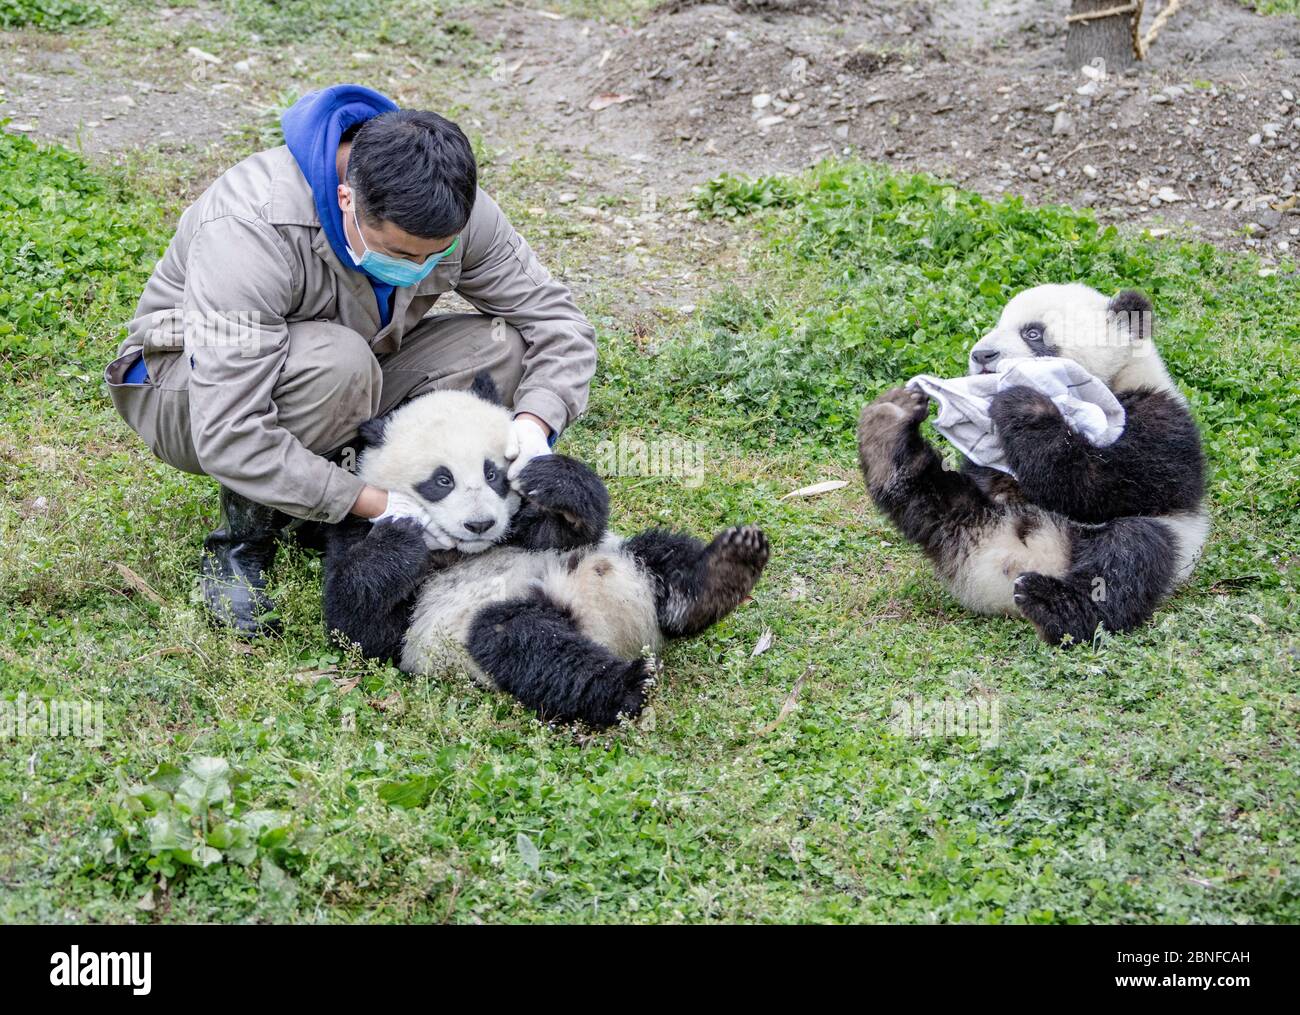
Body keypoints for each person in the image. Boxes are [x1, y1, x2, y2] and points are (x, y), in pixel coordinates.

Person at [104, 84, 596, 635]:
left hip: (350, 366)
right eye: (402, 253)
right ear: (346, 201)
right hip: (188, 395)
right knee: (337, 363)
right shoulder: (249, 229)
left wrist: (533, 426)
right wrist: (372, 501)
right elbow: (229, 430)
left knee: (502, 348)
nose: (422, 265)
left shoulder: (452, 207)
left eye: (439, 253)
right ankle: (242, 543)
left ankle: (328, 504)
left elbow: (558, 323)